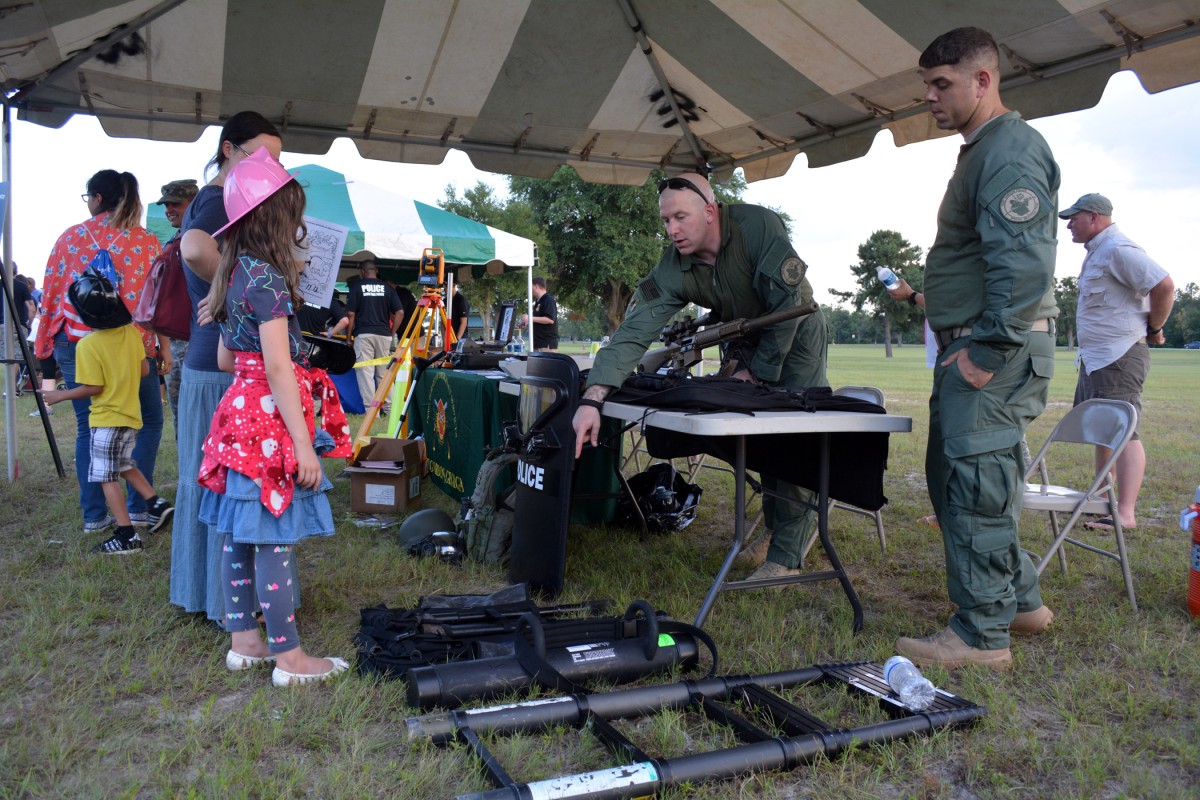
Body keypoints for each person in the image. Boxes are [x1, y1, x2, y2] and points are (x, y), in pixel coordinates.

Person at [894, 27, 1060, 672]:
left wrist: (986, 350)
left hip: (994, 349)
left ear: (983, 80)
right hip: (979, 344)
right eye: (927, 86)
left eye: (942, 85)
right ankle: (1020, 602)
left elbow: (1020, 265)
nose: (930, 98)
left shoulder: (1009, 150)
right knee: (962, 477)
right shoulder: (985, 148)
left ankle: (981, 636)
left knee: (974, 485)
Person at [572, 172, 828, 580]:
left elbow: (788, 301)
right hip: (742, 339)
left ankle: (785, 558)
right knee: (762, 440)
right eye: (665, 221)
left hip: (794, 333)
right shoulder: (673, 266)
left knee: (790, 436)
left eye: (681, 217)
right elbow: (634, 332)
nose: (672, 229)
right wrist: (592, 398)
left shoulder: (757, 227)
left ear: (710, 212)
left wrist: (756, 375)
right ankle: (777, 531)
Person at [197, 147, 350, 685]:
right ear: (275, 219)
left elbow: (224, 359)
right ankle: (290, 658)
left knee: (239, 533)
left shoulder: (233, 274)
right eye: (294, 215)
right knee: (273, 537)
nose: (300, 227)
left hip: (236, 412)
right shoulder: (266, 279)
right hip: (268, 420)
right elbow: (280, 369)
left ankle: (245, 642)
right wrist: (305, 445)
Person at [171, 111, 284, 626]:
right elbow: (193, 247)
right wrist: (233, 291)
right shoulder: (219, 199)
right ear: (228, 150)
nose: (270, 168)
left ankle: (213, 599)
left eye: (277, 161)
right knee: (231, 487)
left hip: (210, 361)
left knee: (213, 485)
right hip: (222, 369)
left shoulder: (216, 197)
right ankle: (231, 608)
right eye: (261, 157)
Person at [35, 169, 166, 534]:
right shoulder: (146, 241)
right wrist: (157, 347)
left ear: (95, 199)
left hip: (78, 344)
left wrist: (44, 342)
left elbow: (51, 294)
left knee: (87, 428)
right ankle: (141, 508)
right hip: (133, 348)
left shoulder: (70, 239)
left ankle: (95, 516)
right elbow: (152, 303)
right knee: (148, 422)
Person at [1059, 193, 1174, 532]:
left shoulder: (1118, 249)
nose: (1068, 224)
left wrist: (1154, 327)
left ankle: (1125, 513)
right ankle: (1101, 501)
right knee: (1103, 430)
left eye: (1074, 218)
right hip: (1097, 358)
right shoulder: (1097, 252)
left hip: (1118, 355)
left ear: (1094, 217)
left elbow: (1164, 285)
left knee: (1124, 431)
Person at [40, 269, 174, 553]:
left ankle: (126, 536)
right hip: (130, 416)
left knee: (104, 476)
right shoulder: (129, 333)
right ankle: (156, 503)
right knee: (124, 464)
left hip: (106, 419)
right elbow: (144, 369)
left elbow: (93, 388)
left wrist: (60, 395)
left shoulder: (87, 346)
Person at [155, 178, 199, 431]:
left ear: (193, 203)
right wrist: (166, 348)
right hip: (179, 343)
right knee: (181, 418)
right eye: (165, 204)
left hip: (206, 342)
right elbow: (164, 299)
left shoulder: (214, 238)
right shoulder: (172, 243)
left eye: (175, 203)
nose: (168, 209)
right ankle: (188, 470)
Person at [346, 254, 402, 415]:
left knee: (365, 373)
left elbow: (351, 314)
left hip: (363, 335)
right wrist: (391, 333)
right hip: (383, 335)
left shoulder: (357, 287)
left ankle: (372, 413)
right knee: (384, 373)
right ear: (376, 270)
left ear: (363, 272)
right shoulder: (388, 288)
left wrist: (349, 337)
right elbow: (400, 312)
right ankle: (390, 410)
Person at [522, 276, 559, 351]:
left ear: (536, 286)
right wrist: (528, 322)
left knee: (546, 363)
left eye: (531, 286)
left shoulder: (548, 300)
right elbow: (538, 319)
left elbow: (550, 319)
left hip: (546, 344)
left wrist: (530, 318)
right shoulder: (538, 302)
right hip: (537, 343)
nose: (530, 289)